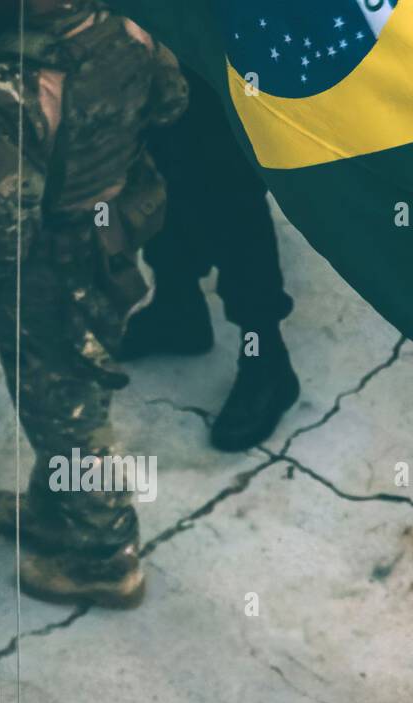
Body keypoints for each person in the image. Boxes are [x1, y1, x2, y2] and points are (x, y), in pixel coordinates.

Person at [0, 0, 187, 608]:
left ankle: (107, 557)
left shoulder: (15, 79)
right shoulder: (132, 29)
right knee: (74, 389)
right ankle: (54, 510)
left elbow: (8, 217)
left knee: (66, 410)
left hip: (52, 261)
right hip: (113, 235)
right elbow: (172, 103)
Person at [115, 62, 300, 452]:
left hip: (214, 42)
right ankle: (178, 305)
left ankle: (266, 357)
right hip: (146, 40)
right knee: (154, 157)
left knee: (223, 176)